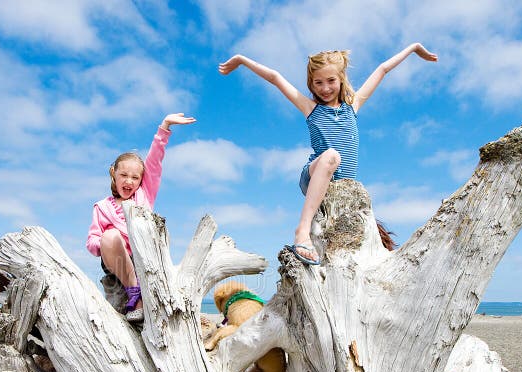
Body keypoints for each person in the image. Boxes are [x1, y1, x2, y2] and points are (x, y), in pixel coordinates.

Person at [219, 44, 437, 264]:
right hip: (314, 175)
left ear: (341, 78)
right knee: (332, 156)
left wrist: (414, 49)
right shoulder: (310, 108)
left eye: (331, 81)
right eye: (318, 83)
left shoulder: (353, 106)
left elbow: (382, 69)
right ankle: (302, 232)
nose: (325, 88)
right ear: (311, 84)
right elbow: (275, 78)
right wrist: (241, 60)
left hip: (341, 188)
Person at [86, 113, 195, 322]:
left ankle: (139, 297)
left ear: (141, 180)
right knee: (109, 236)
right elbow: (91, 241)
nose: (129, 181)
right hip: (117, 270)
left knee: (147, 321)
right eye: (123, 175)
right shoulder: (101, 207)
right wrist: (105, 243)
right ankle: (134, 293)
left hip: (143, 261)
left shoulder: (144, 194)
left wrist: (165, 127)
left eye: (135, 177)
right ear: (113, 173)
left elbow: (154, 160)